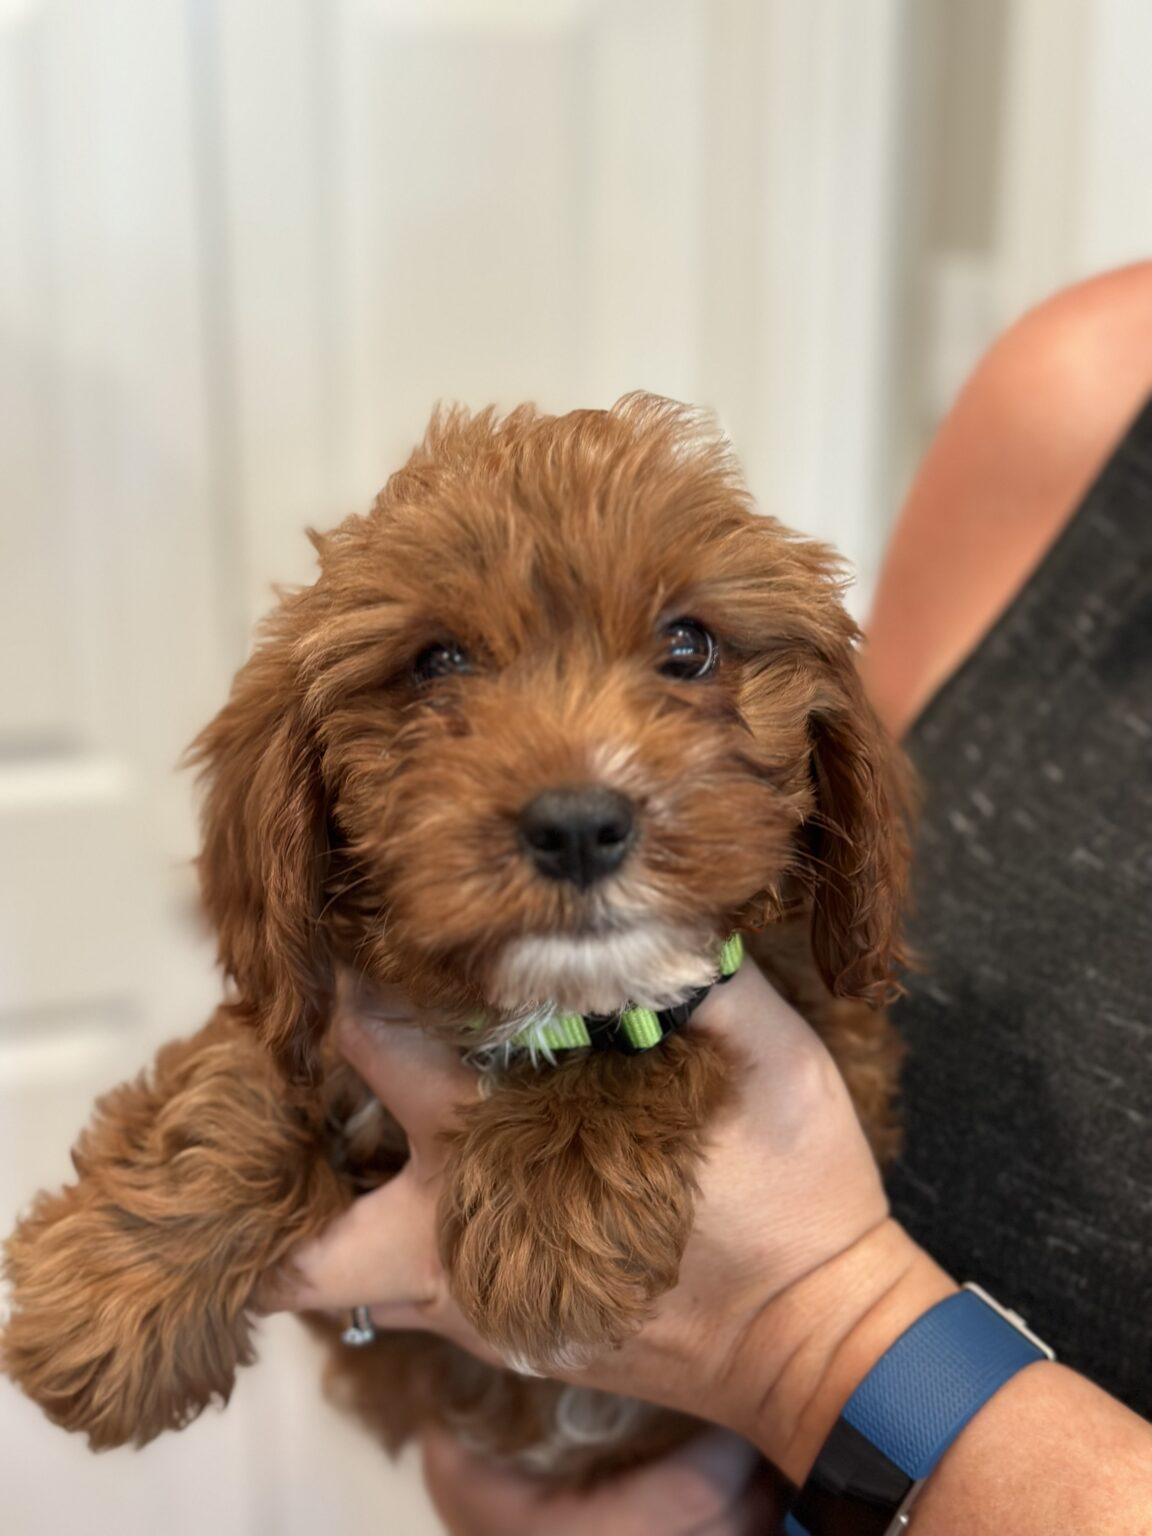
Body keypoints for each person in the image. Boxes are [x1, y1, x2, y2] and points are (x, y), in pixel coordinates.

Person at [272, 264, 1152, 1534]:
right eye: (446, 664)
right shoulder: (1078, 387)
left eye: (683, 655)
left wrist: (808, 1341)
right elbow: (811, 901)